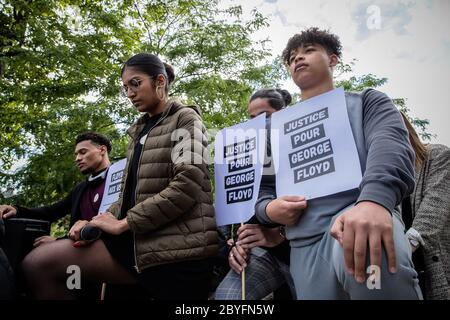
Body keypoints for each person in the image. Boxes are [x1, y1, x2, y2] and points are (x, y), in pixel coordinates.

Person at [19, 53, 218, 300]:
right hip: (139, 240)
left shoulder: (185, 118)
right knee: (38, 261)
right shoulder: (138, 131)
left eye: (136, 83)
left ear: (159, 81)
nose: (130, 93)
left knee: (40, 264)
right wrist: (95, 221)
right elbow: (128, 197)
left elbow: (187, 186)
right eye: (125, 88)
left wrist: (124, 223)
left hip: (179, 249)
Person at [255, 27, 422, 299]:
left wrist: (373, 202)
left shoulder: (368, 101)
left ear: (333, 60)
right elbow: (261, 189)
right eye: (292, 57)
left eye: (309, 50)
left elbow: (391, 148)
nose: (298, 58)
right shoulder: (274, 130)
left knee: (367, 245)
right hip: (304, 245)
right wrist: (268, 210)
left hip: (362, 214)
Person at [215, 89, 296, 300]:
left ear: (284, 113)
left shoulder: (299, 149)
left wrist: (279, 237)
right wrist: (238, 246)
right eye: (252, 119)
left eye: (265, 116)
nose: (259, 124)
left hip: (303, 253)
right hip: (265, 255)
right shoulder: (248, 158)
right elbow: (240, 213)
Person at [0, 131, 112, 247]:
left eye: (83, 152)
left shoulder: (123, 179)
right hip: (79, 247)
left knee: (35, 261)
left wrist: (60, 240)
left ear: (102, 150)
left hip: (112, 247)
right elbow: (51, 212)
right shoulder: (80, 189)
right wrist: (16, 210)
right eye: (76, 154)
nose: (77, 158)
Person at [401, 112, 450, 300]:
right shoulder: (383, 173)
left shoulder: (437, 155)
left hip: (431, 261)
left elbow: (435, 205)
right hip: (403, 270)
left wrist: (403, 248)